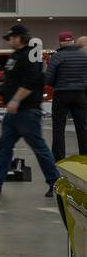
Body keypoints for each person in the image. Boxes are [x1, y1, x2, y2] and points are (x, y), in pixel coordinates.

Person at [0, 24, 60, 197]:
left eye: (12, 38)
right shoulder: (15, 56)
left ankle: (55, 183)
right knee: (5, 147)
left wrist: (15, 99)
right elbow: (10, 79)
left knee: (39, 148)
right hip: (13, 114)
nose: (9, 41)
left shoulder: (31, 56)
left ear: (20, 37)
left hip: (27, 111)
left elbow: (31, 82)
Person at [47, 30, 87, 161]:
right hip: (80, 95)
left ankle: (58, 158)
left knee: (58, 128)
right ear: (73, 41)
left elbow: (49, 78)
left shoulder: (57, 56)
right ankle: (85, 156)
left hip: (61, 94)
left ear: (61, 42)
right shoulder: (84, 55)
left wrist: (58, 84)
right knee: (83, 127)